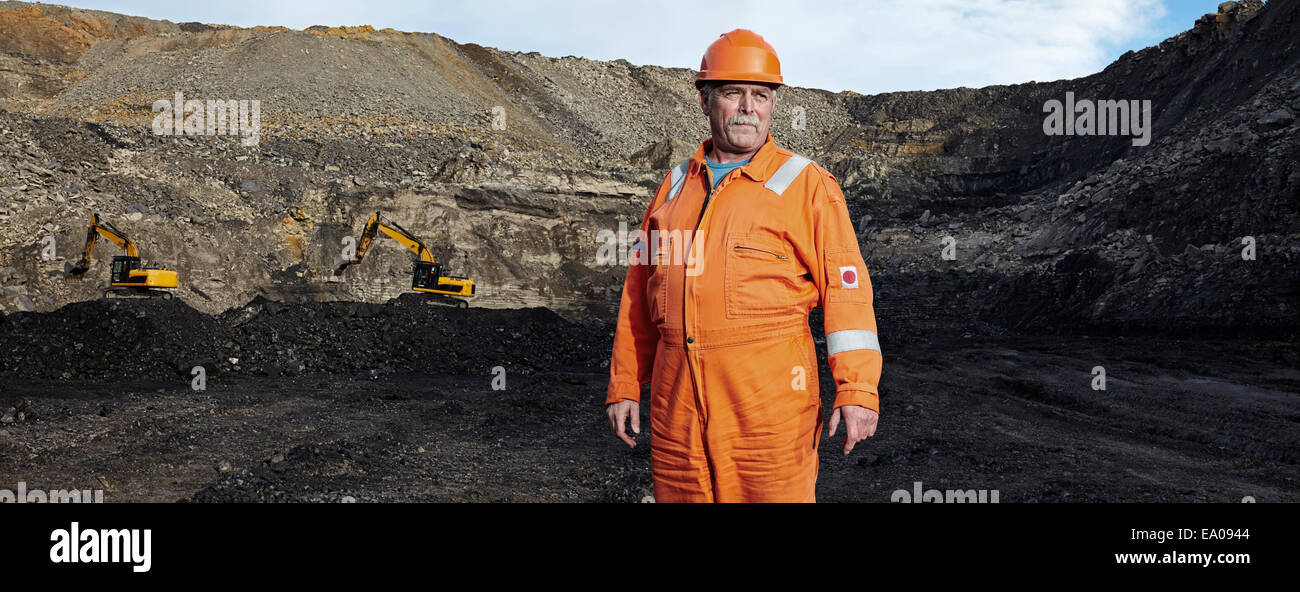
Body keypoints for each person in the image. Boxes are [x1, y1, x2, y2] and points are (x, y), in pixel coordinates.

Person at [605, 29, 881, 502]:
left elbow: (847, 293)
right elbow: (638, 294)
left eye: (761, 94)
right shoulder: (674, 188)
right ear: (705, 99)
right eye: (733, 93)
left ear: (773, 103)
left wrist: (856, 390)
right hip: (677, 413)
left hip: (769, 415)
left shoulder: (807, 185)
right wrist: (626, 384)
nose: (748, 107)